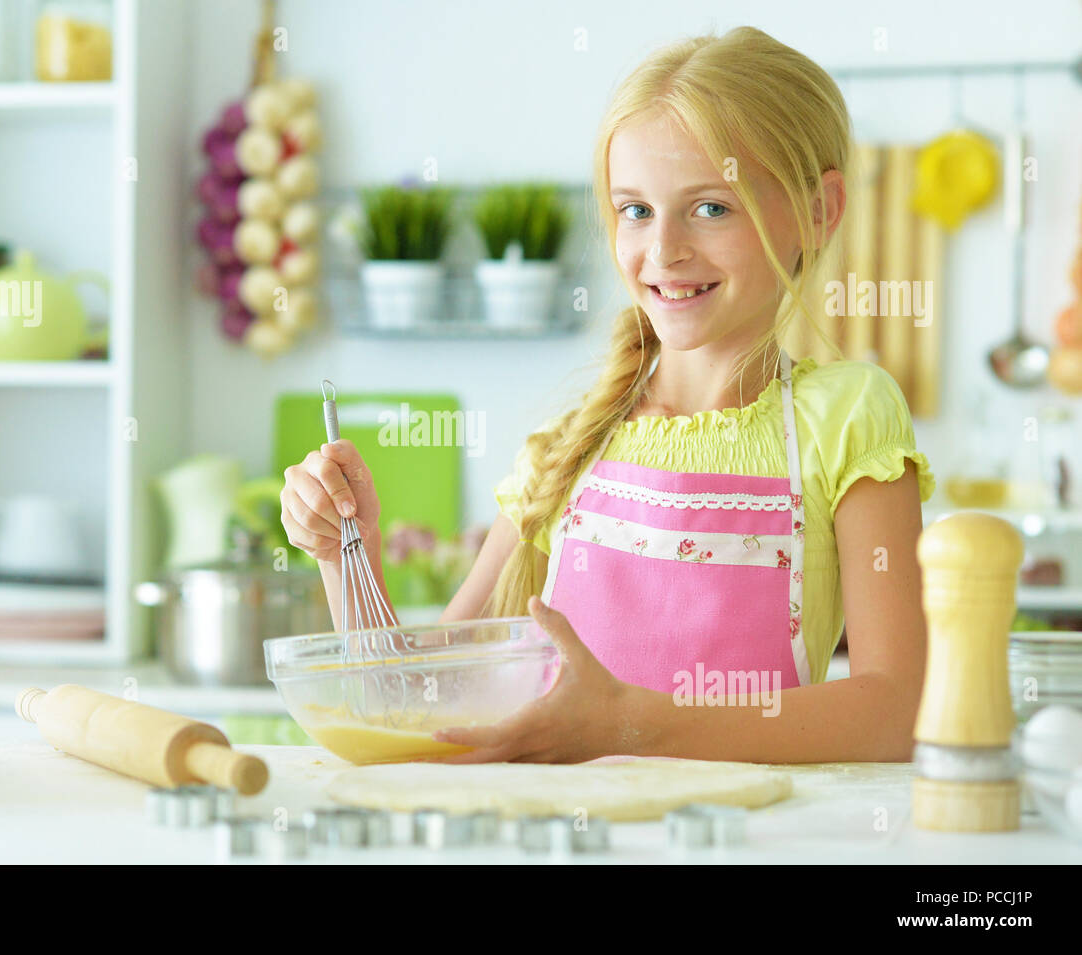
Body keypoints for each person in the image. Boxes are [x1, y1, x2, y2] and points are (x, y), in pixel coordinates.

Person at [281, 26, 935, 765]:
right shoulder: (568, 448)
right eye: (636, 210)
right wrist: (345, 551)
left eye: (711, 208)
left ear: (820, 211)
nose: (664, 251)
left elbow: (894, 711)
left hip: (740, 825)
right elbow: (416, 699)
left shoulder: (847, 416)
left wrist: (629, 725)